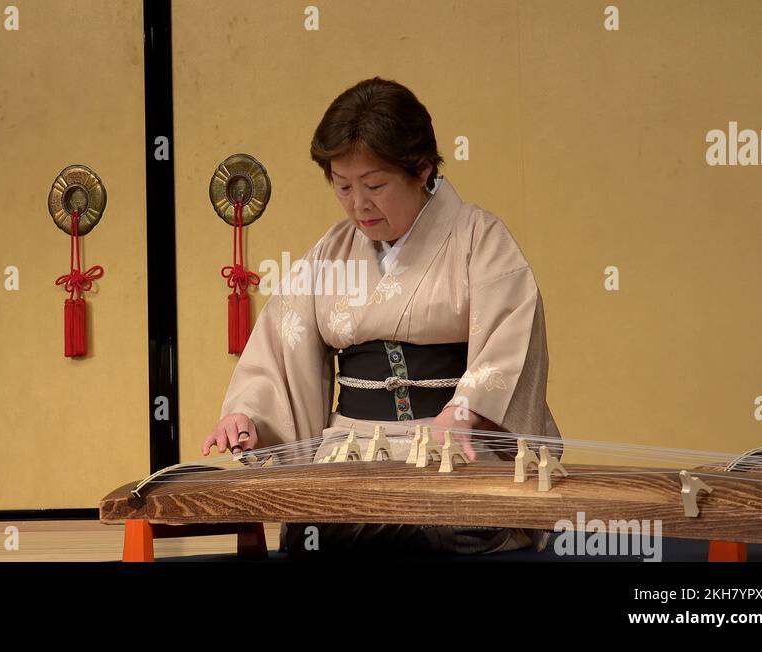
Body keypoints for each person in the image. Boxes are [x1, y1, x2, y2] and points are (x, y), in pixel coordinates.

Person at [202, 76, 561, 558]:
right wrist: (250, 415)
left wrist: (465, 408)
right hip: (351, 455)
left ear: (423, 169)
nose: (358, 204)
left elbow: (509, 337)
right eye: (343, 186)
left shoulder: (481, 240)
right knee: (316, 533)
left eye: (374, 185)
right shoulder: (331, 254)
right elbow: (279, 347)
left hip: (452, 453)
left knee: (447, 528)